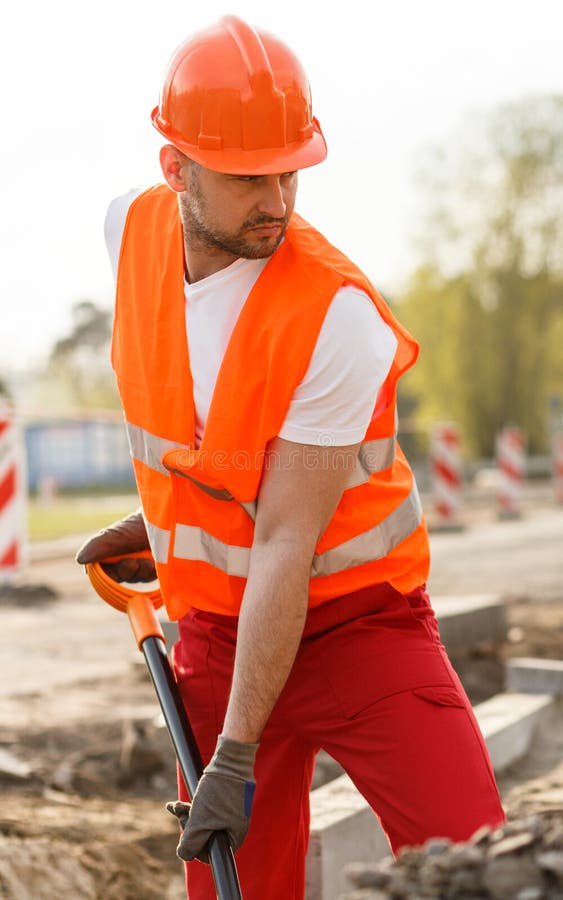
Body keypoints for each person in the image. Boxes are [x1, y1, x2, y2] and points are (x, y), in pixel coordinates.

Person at [77, 15, 505, 899]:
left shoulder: (335, 315)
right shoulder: (128, 236)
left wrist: (233, 757)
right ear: (175, 168)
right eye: (246, 178)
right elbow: (204, 437)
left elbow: (283, 540)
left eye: (290, 171)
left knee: (477, 861)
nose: (275, 199)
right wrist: (164, 525)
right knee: (239, 886)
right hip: (221, 633)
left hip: (361, 633)